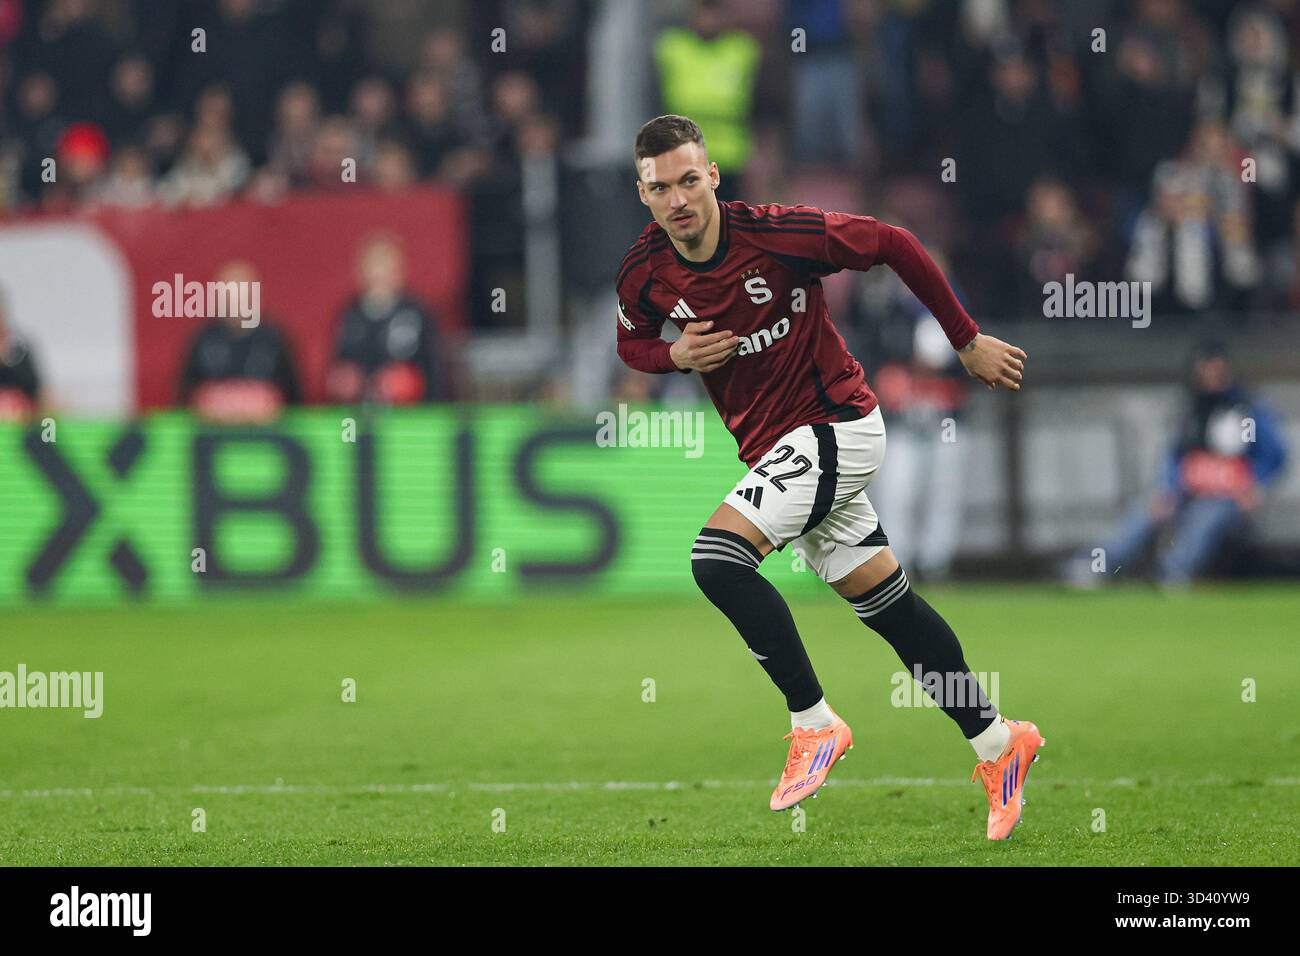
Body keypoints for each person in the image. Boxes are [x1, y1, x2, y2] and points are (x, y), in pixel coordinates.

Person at [614, 115, 1041, 840]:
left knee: (717, 560)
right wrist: (674, 357)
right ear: (643, 193)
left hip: (838, 425)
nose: (679, 200)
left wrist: (965, 340)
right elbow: (632, 344)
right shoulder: (644, 272)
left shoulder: (777, 234)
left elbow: (895, 243)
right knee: (890, 610)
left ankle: (813, 722)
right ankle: (999, 741)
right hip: (780, 452)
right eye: (661, 188)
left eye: (690, 180)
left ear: (713, 175)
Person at [1068, 340, 1288, 588]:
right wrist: (1166, 488)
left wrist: (1254, 486)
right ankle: (1095, 566)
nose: (1211, 378)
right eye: (1206, 372)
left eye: (1217, 371)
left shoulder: (1248, 409)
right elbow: (1173, 457)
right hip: (1187, 491)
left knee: (1206, 516)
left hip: (1227, 498)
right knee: (1145, 513)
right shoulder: (1190, 410)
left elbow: (1276, 454)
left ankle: (1172, 573)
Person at [328, 233, 448, 404]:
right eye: (373, 266)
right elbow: (337, 367)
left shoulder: (417, 313)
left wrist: (413, 384)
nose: (378, 275)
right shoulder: (350, 315)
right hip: (360, 411)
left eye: (384, 266)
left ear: (399, 270)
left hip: (410, 412)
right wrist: (343, 381)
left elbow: (435, 369)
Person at [179, 261, 300, 424]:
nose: (236, 304)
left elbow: (295, 402)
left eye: (242, 295)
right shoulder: (202, 340)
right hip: (213, 434)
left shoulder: (275, 340)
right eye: (228, 296)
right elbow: (183, 398)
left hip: (266, 435)